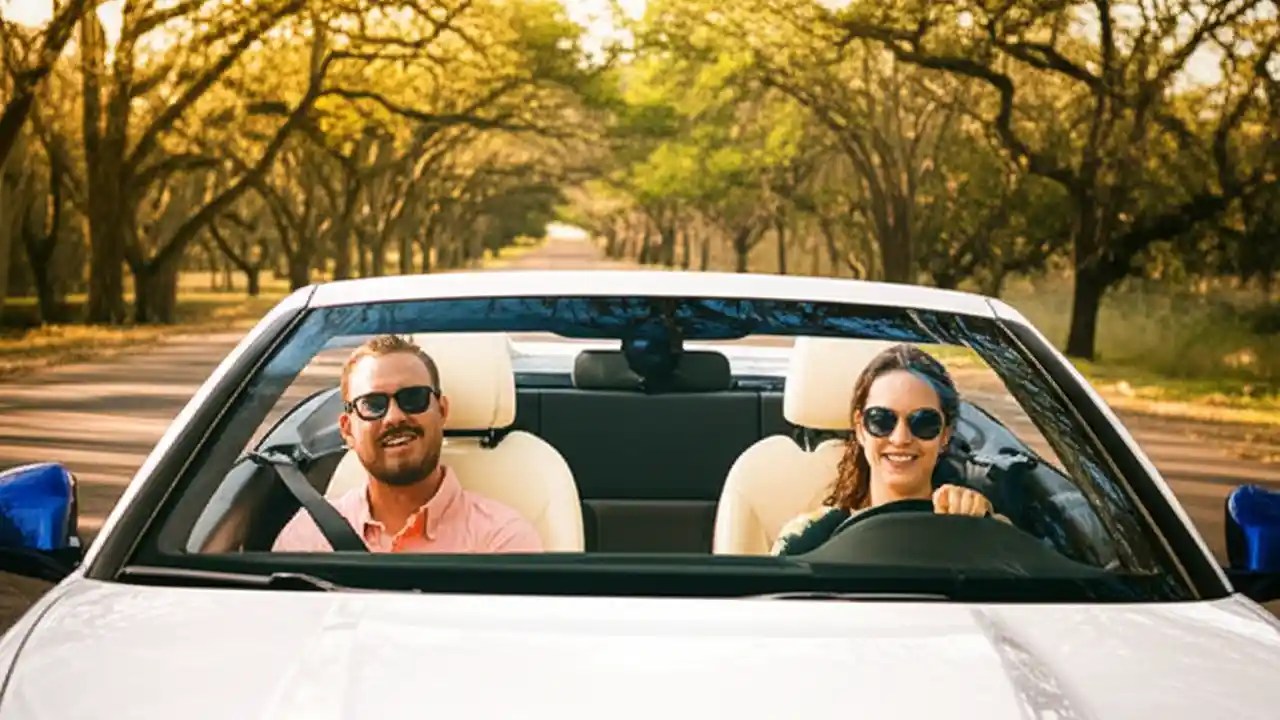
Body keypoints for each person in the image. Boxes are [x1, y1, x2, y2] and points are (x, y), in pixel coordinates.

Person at [273, 334, 543, 553]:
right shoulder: (309, 537)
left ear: (442, 411)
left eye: (413, 398)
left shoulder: (503, 540)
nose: (394, 417)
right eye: (372, 404)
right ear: (347, 429)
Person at [772, 343, 997, 555]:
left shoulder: (973, 526)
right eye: (881, 420)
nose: (900, 438)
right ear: (860, 428)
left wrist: (985, 521)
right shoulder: (808, 541)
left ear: (945, 434)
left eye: (923, 422)